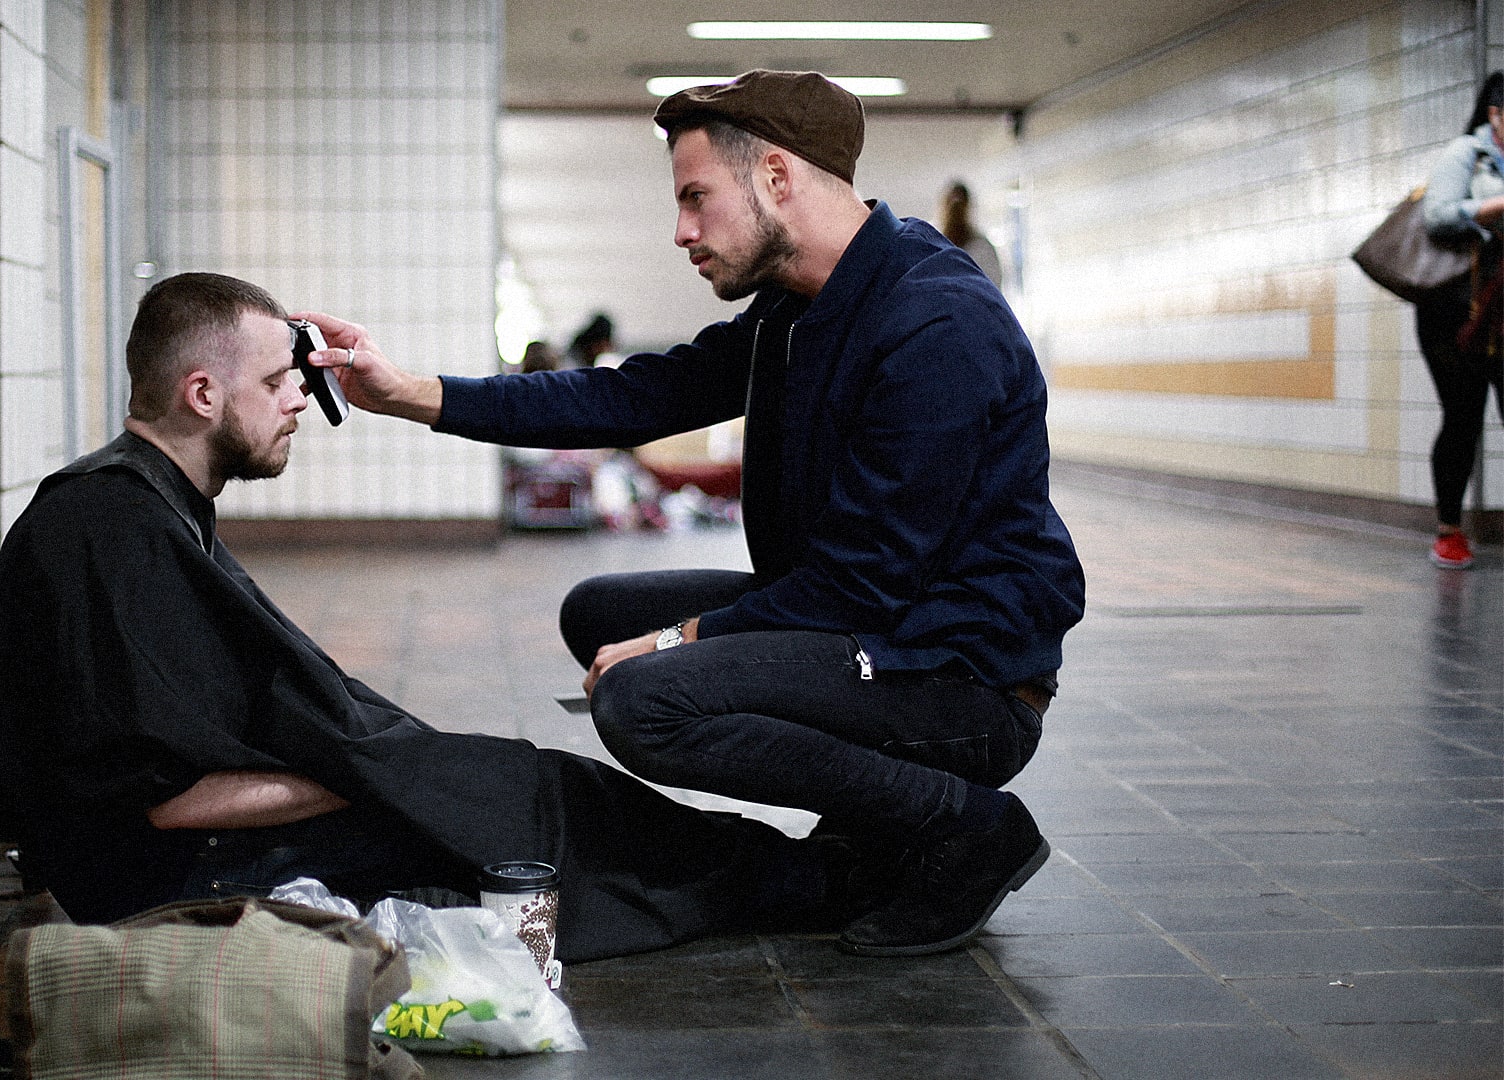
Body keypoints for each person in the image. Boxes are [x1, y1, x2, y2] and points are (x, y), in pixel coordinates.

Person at [297, 70, 1086, 957]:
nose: (681, 231)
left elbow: (862, 585)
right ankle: (879, 822)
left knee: (644, 700)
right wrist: (411, 392)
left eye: (697, 199)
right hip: (877, 626)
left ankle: (965, 828)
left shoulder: (937, 324)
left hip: (963, 675)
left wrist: (682, 642)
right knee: (598, 614)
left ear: (778, 178)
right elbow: (635, 395)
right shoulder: (797, 308)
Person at [0, 272, 861, 963]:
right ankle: (820, 886)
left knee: (543, 793)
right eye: (278, 382)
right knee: (517, 842)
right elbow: (149, 798)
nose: (302, 399)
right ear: (201, 395)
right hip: (164, 879)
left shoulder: (142, 505)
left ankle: (809, 876)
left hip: (209, 832)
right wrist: (373, 771)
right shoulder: (114, 529)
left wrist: (387, 762)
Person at [1417, 71, 1504, 570]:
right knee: (1463, 416)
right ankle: (1449, 530)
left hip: (1502, 308)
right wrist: (1493, 205)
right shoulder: (1464, 155)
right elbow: (1438, 214)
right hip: (1455, 311)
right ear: (1495, 114)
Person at [938, 180, 1003, 287]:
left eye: (959, 204)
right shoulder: (933, 243)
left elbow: (992, 286)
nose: (956, 211)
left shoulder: (981, 248)